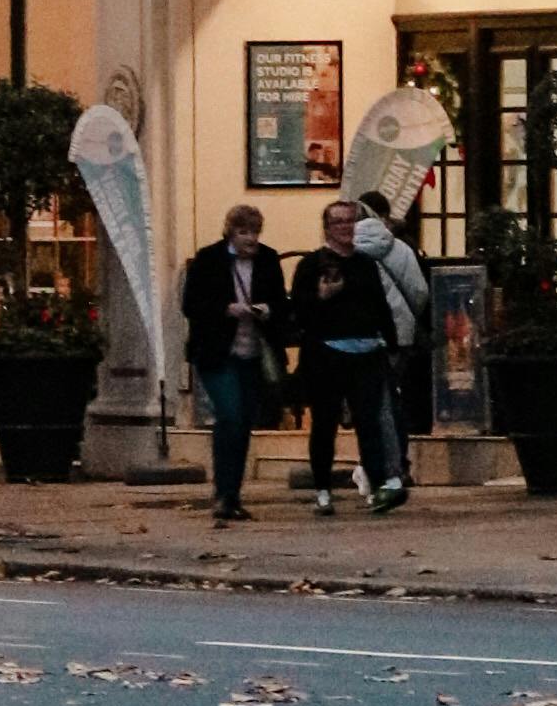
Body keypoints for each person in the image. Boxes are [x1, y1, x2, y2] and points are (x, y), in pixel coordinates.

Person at [284, 197, 406, 511]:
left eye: (349, 221)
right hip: (325, 354)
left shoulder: (365, 264)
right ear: (326, 228)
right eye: (337, 222)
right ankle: (322, 489)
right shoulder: (311, 265)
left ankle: (377, 485)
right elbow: (299, 312)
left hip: (366, 351)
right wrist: (322, 296)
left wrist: (391, 345)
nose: (344, 227)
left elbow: (380, 307)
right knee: (325, 423)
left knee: (369, 422)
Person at [178, 199, 287, 525]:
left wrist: (267, 310)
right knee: (230, 415)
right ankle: (224, 493)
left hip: (253, 352)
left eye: (254, 232)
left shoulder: (268, 259)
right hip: (218, 352)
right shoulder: (208, 259)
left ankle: (233, 493)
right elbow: (191, 304)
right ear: (230, 233)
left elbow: (281, 302)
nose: (250, 239)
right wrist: (227, 309)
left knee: (244, 422)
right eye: (243, 232)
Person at [353, 187, 434, 481]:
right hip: (399, 334)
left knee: (369, 401)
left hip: (359, 335)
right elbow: (419, 291)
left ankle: (376, 462)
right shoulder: (401, 248)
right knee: (391, 398)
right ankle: (398, 462)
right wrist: (407, 318)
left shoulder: (345, 250)